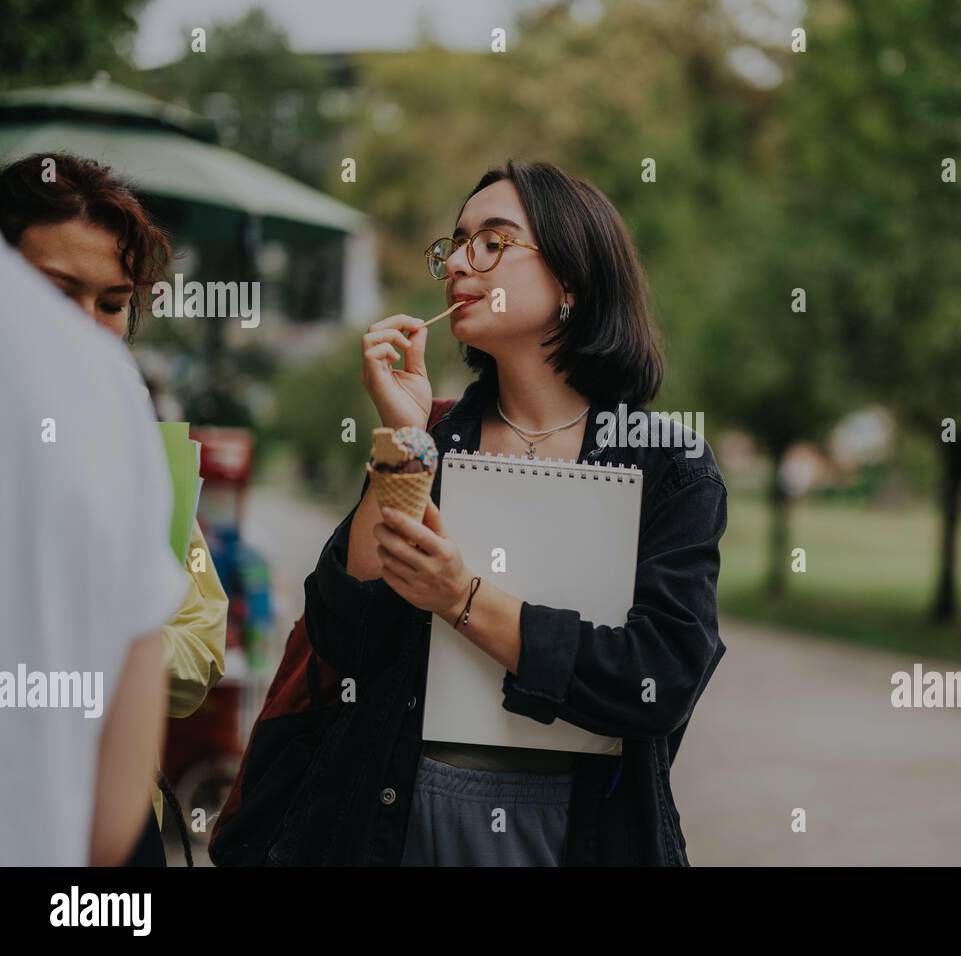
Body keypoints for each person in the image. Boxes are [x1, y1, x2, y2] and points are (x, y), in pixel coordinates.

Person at [277, 159, 727, 865]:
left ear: (573, 281)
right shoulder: (433, 437)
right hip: (401, 817)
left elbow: (659, 678)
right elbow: (346, 636)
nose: (459, 263)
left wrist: (461, 597)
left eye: (492, 242)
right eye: (455, 244)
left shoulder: (669, 464)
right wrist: (404, 437)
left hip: (579, 831)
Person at [0, 152, 229, 863]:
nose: (86, 330)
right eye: (54, 295)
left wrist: (90, 645)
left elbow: (201, 645)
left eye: (110, 304)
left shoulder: (135, 445)